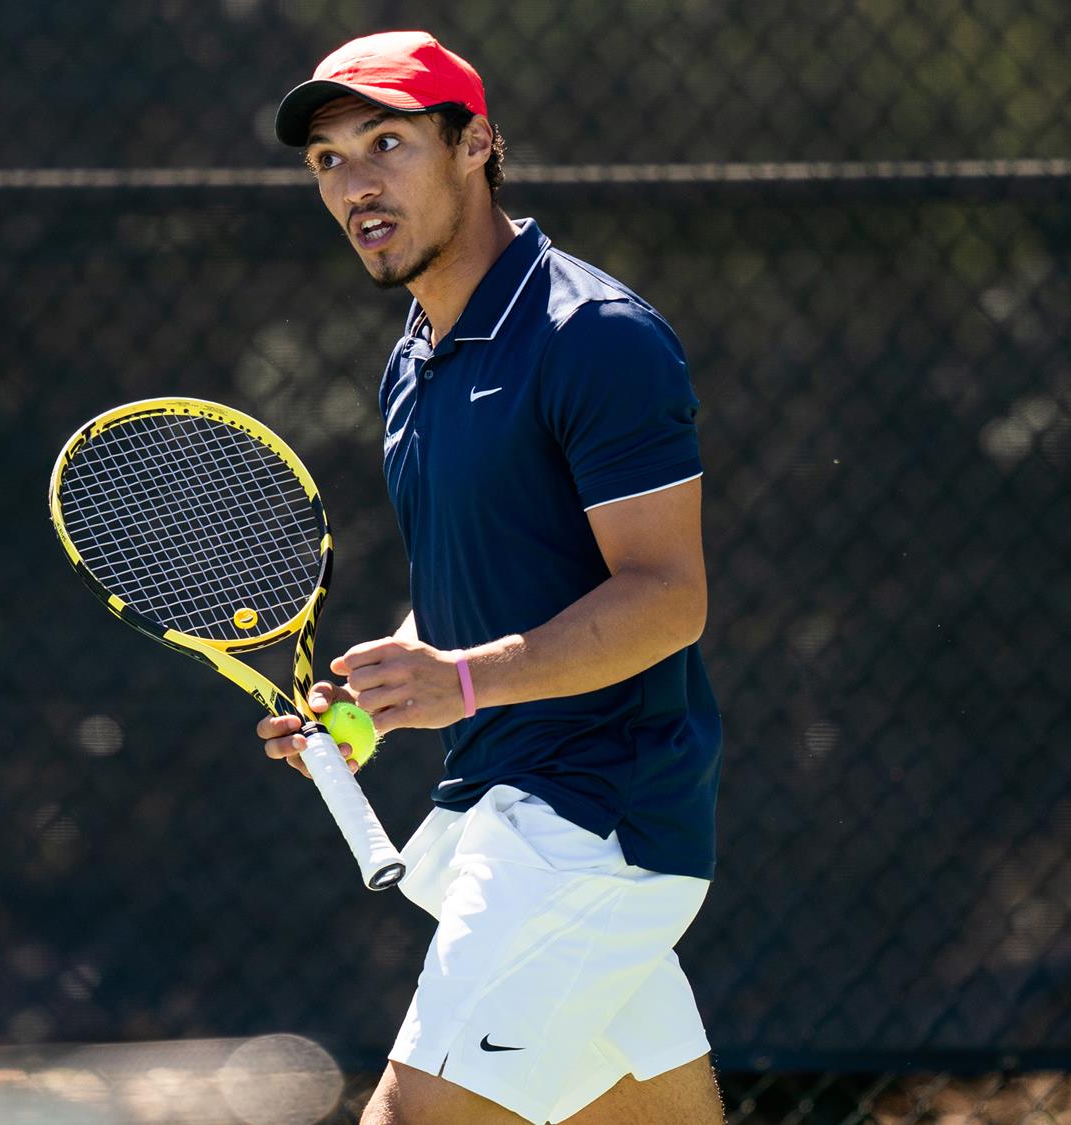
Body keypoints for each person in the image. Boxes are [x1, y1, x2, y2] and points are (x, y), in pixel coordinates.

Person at [256, 31, 727, 1125]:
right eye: (327, 160)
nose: (356, 184)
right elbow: (484, 594)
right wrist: (372, 713)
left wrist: (459, 683)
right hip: (503, 810)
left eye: (386, 142)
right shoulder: (417, 355)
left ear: (474, 145)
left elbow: (667, 596)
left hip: (592, 827)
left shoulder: (594, 338)